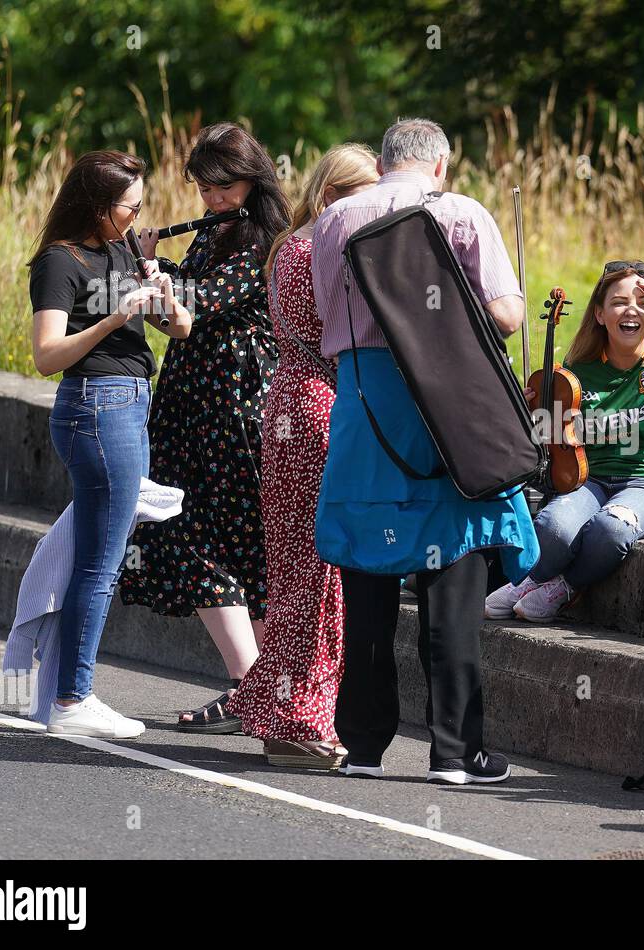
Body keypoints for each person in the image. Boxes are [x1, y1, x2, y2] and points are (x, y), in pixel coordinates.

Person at [312, 117, 535, 785]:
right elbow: (504, 315)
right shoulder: (460, 213)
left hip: (363, 412)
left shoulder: (334, 220)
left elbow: (331, 315)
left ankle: (365, 748)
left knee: (367, 592)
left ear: (382, 163)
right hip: (447, 413)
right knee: (453, 591)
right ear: (441, 165)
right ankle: (454, 754)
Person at [119, 123, 291, 732]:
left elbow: (198, 308)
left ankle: (255, 690)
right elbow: (180, 315)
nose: (213, 200)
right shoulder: (218, 232)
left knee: (229, 544)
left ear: (253, 177)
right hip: (196, 406)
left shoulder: (267, 238)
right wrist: (152, 268)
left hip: (237, 409)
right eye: (205, 188)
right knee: (201, 538)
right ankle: (259, 689)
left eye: (225, 186)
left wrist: (157, 276)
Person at [26, 150, 193, 738]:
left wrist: (165, 296)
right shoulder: (59, 262)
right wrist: (107, 319)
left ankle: (66, 692)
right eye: (129, 208)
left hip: (128, 403)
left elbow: (180, 328)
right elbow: (47, 356)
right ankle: (74, 697)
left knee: (99, 556)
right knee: (99, 563)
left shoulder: (123, 252)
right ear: (97, 206)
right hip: (95, 406)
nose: (137, 217)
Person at [226, 144, 379, 769]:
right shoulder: (325, 249)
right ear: (335, 195)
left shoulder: (290, 246)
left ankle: (280, 713)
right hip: (318, 409)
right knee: (320, 572)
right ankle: (298, 720)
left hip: (291, 402)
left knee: (298, 570)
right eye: (365, 197)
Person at [485, 261, 644, 622]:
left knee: (610, 528)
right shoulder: (578, 369)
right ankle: (528, 581)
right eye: (619, 302)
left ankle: (564, 587)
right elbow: (549, 433)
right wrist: (529, 406)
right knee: (552, 526)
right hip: (592, 479)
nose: (631, 310)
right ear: (599, 313)